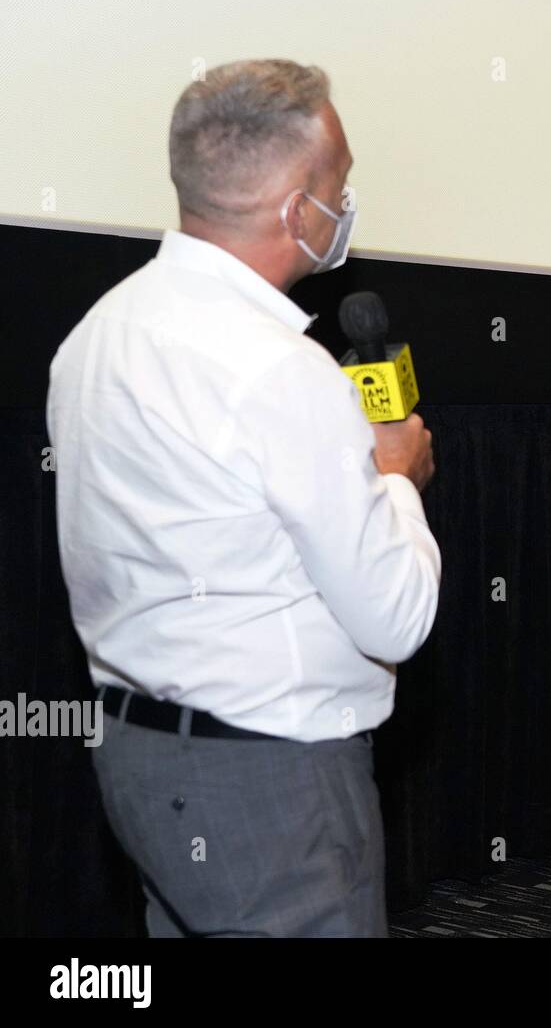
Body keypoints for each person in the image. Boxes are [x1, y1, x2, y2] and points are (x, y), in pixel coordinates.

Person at [45, 60, 441, 936]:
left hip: (139, 759)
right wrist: (395, 479)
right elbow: (396, 617)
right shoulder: (280, 372)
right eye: (340, 183)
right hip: (274, 787)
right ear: (300, 212)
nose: (348, 204)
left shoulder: (95, 334)